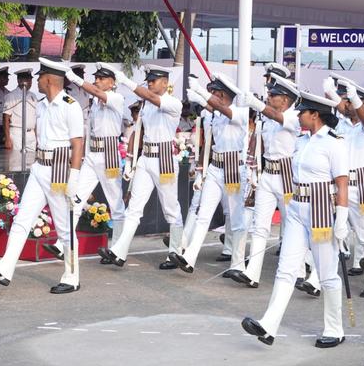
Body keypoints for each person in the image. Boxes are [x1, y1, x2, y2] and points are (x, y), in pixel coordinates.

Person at [241, 90, 350, 349]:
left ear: (315, 115)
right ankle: (269, 325)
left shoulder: (334, 144)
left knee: (326, 274)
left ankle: (335, 329)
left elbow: (342, 184)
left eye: (303, 112)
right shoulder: (302, 140)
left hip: (321, 209)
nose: (298, 116)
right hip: (297, 208)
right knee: (286, 269)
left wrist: (342, 220)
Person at [0, 58, 84, 294]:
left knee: (64, 228)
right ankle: (5, 269)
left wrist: (74, 178)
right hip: (40, 167)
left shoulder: (70, 105)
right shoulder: (44, 104)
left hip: (59, 170)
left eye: (40, 77)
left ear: (48, 79)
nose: (37, 81)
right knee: (22, 219)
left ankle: (72, 276)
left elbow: (78, 144)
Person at [101, 66, 185, 267]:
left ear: (165, 83)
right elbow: (139, 132)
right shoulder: (146, 104)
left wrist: (127, 83)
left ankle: (175, 251)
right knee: (134, 208)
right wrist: (131, 160)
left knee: (171, 208)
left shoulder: (172, 102)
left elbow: (153, 98)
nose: (150, 83)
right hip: (146, 157)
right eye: (148, 80)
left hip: (164, 159)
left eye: (154, 80)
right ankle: (119, 252)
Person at [173, 74, 249, 273]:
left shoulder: (239, 112)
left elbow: (222, 108)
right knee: (203, 215)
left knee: (237, 219)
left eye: (214, 92)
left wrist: (200, 92)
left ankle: (238, 263)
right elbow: (213, 112)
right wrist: (201, 97)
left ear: (222, 95)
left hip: (233, 167)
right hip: (216, 167)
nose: (211, 96)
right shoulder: (216, 113)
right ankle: (189, 257)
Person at [230, 76, 301, 288]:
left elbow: (275, 116)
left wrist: (256, 104)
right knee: (259, 226)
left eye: (273, 95)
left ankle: (298, 269)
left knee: (292, 225)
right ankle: (252, 272)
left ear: (286, 99)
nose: (269, 97)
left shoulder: (294, 116)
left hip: (288, 176)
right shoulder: (267, 119)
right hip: (268, 174)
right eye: (268, 95)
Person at [59, 64, 127, 264]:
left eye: (101, 78)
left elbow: (97, 91)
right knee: (76, 198)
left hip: (109, 156)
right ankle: (63, 244)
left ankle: (118, 250)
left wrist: (75, 79)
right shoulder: (95, 101)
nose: (97, 80)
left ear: (112, 82)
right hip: (93, 154)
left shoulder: (116, 98)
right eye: (95, 77)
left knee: (116, 205)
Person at [331, 77, 364, 297]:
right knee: (328, 233)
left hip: (361, 188)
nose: (344, 103)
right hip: (339, 185)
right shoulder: (340, 124)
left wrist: (354, 98)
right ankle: (317, 279)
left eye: (349, 100)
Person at [3, 68, 38, 157]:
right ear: (19, 80)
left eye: (30, 80)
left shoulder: (33, 96)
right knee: (16, 163)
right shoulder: (11, 96)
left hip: (31, 134)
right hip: (17, 133)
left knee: (31, 163)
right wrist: (7, 139)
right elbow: (5, 118)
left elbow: (36, 118)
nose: (29, 82)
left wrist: (37, 137)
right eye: (26, 79)